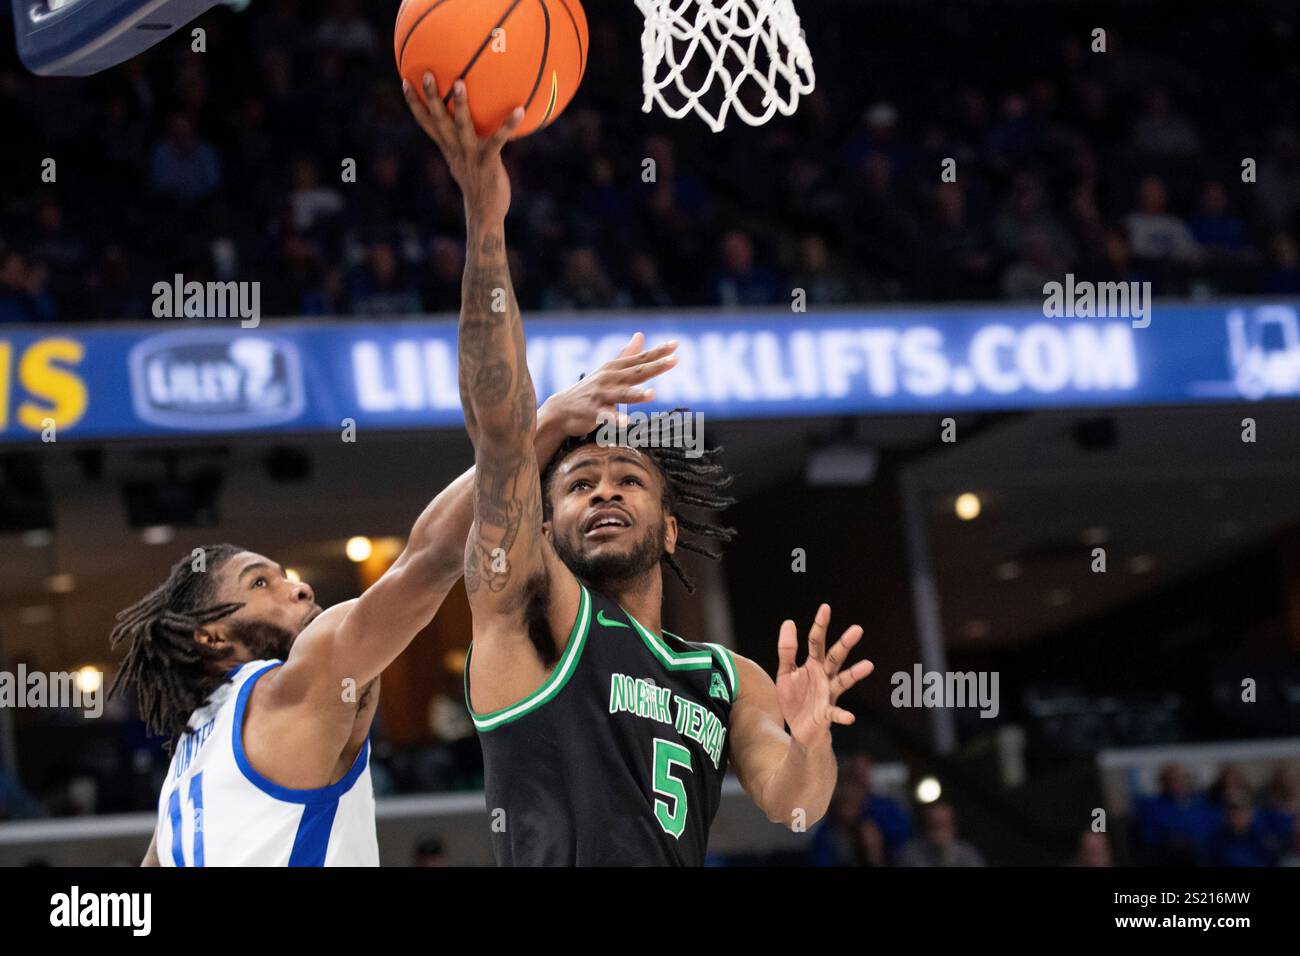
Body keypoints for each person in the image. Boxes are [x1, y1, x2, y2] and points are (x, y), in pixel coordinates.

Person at [403, 74, 875, 866]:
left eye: (627, 480)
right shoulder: (532, 612)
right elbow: (497, 426)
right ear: (543, 526)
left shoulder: (724, 675)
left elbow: (796, 809)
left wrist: (813, 738)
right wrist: (486, 217)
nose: (605, 492)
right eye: (579, 484)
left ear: (669, 526)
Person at [110, 339, 676, 866]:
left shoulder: (184, 774)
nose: (300, 588)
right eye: (262, 585)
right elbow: (430, 557)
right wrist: (548, 421)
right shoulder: (301, 681)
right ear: (210, 636)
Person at [897, 802, 985, 867]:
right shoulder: (910, 855)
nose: (939, 832)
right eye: (934, 826)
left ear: (953, 827)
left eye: (943, 825)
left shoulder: (967, 855)